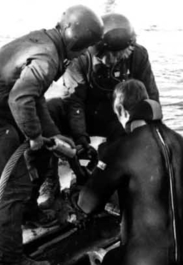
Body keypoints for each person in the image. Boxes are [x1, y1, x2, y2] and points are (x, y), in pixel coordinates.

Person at [0, 5, 104, 265]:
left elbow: (35, 98)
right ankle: (10, 258)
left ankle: (25, 215)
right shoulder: (48, 58)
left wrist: (52, 133)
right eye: (84, 49)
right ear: (76, 43)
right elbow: (21, 99)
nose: (83, 55)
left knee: (23, 176)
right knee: (14, 185)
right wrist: (35, 136)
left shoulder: (45, 42)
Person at [74, 78, 183, 265]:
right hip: (180, 255)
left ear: (122, 110)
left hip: (141, 256)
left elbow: (87, 204)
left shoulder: (123, 148)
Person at [40, 13, 159, 205]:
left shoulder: (138, 56)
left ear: (125, 50)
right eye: (100, 55)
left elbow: (150, 98)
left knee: (131, 134)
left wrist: (153, 136)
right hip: (83, 114)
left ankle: (120, 181)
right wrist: (80, 138)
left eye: (112, 55)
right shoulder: (79, 58)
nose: (106, 60)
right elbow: (74, 102)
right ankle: (49, 179)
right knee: (49, 109)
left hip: (116, 119)